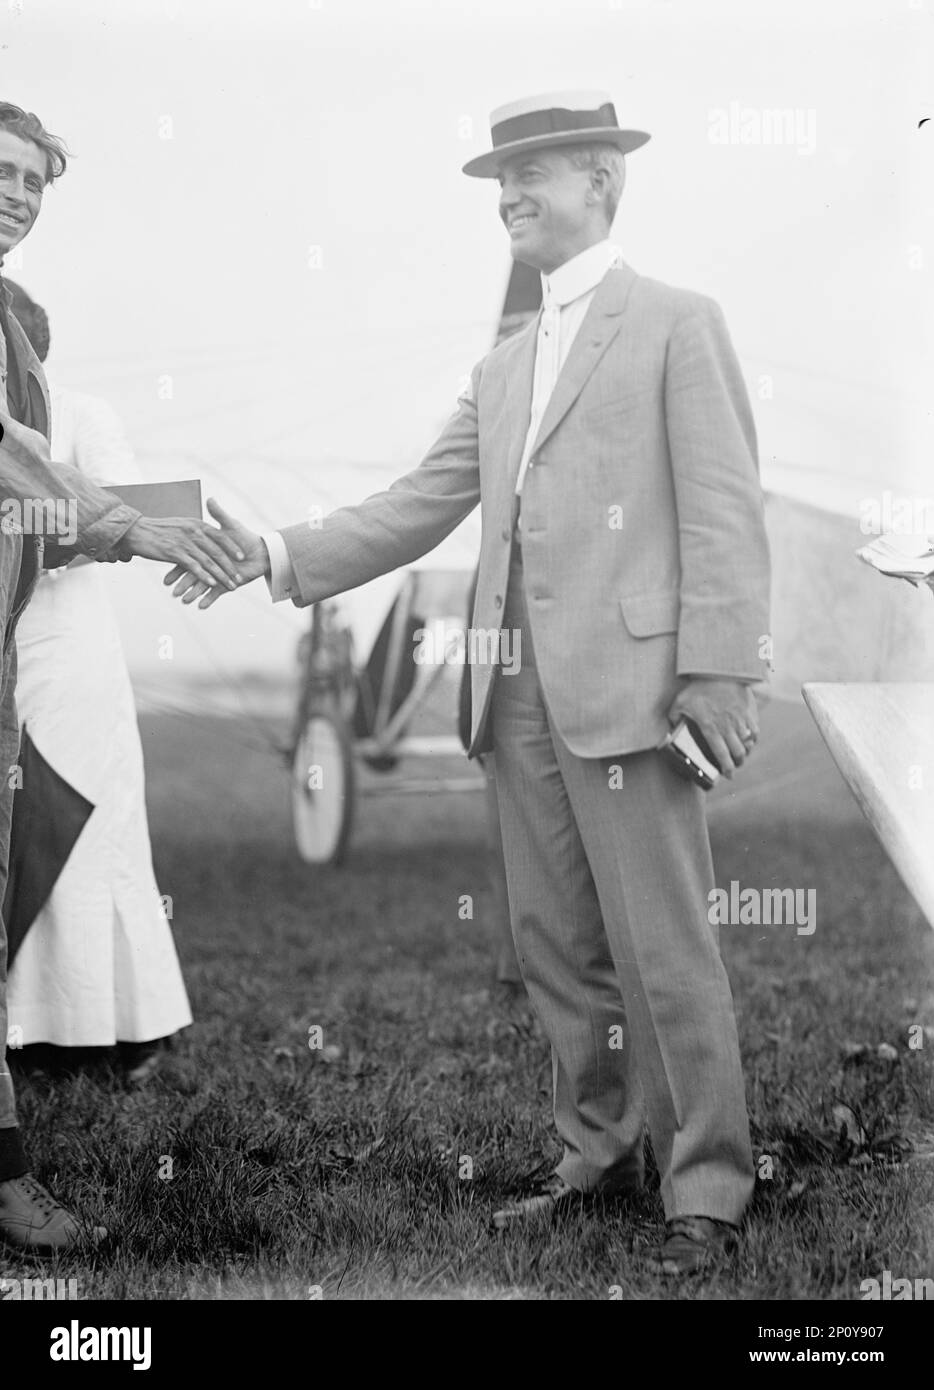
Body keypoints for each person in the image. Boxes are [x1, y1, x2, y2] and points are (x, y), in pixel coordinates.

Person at [173, 91, 771, 1276]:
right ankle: (595, 1158)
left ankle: (704, 1186)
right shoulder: (502, 366)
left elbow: (721, 510)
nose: (508, 196)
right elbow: (413, 503)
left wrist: (714, 671)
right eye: (499, 179)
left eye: (531, 173)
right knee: (553, 948)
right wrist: (273, 556)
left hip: (637, 694)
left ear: (602, 182)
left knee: (662, 948)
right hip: (512, 704)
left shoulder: (676, 322)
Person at [0, 100, 244, 1252]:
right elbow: (33, 488)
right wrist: (129, 531)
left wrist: (189, 528)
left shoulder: (37, 370)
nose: (20, 194)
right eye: (4, 170)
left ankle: (48, 1094)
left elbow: (49, 493)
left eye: (36, 181)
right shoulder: (31, 387)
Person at [5, 283, 192, 1080]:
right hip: (7, 634)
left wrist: (48, 525)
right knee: (13, 821)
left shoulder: (80, 413)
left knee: (82, 817)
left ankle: (115, 1027)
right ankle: (26, 1025)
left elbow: (127, 508)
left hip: (65, 635)